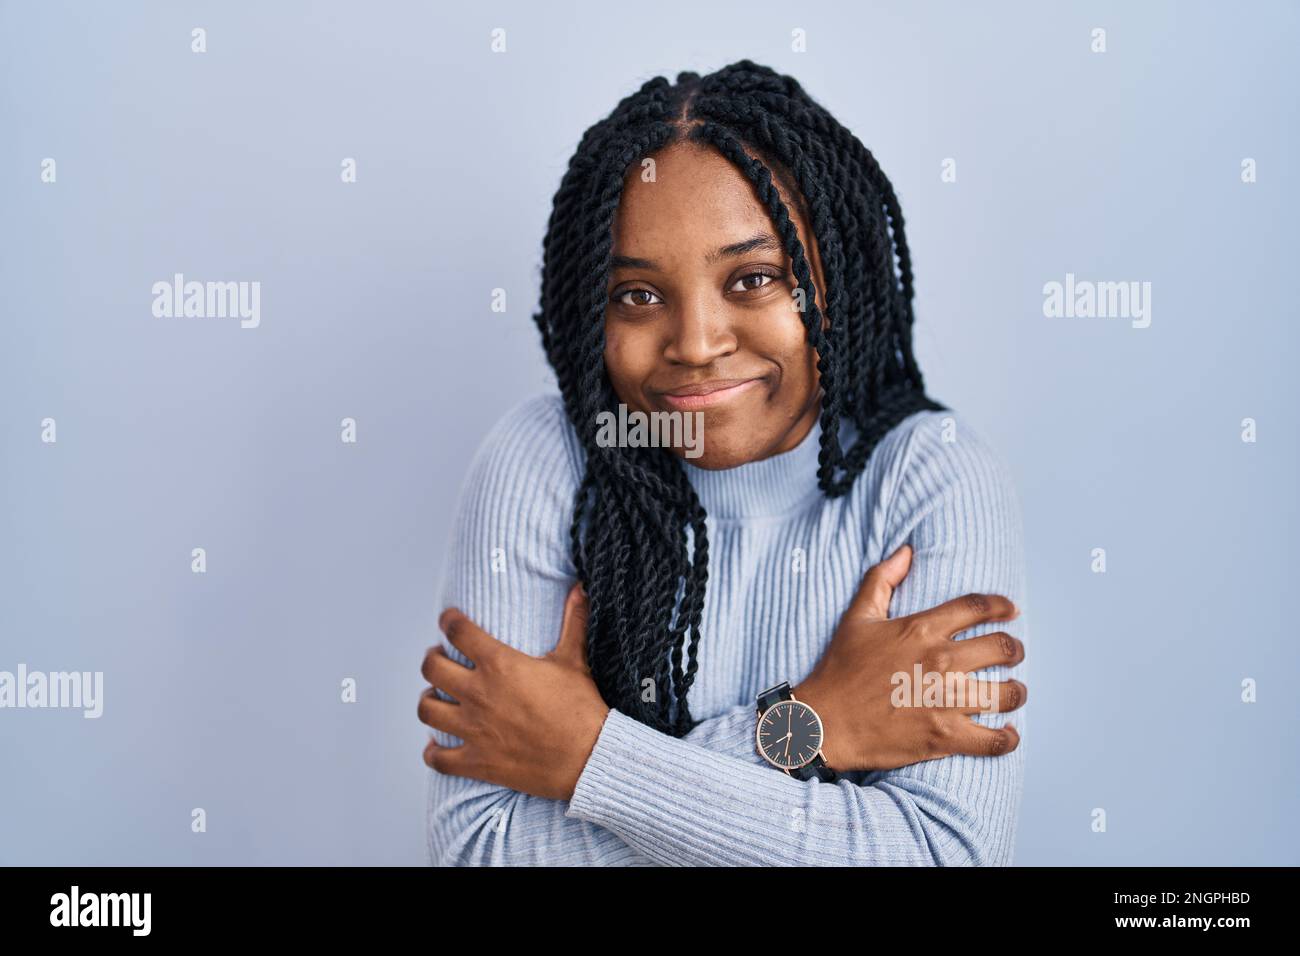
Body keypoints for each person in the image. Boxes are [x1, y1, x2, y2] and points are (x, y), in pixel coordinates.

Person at [419, 60, 1028, 865]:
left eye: (753, 279)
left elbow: (942, 854)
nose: (696, 343)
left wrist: (583, 757)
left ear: (835, 281)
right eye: (637, 295)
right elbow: (481, 853)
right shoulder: (547, 464)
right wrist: (811, 726)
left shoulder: (930, 475)